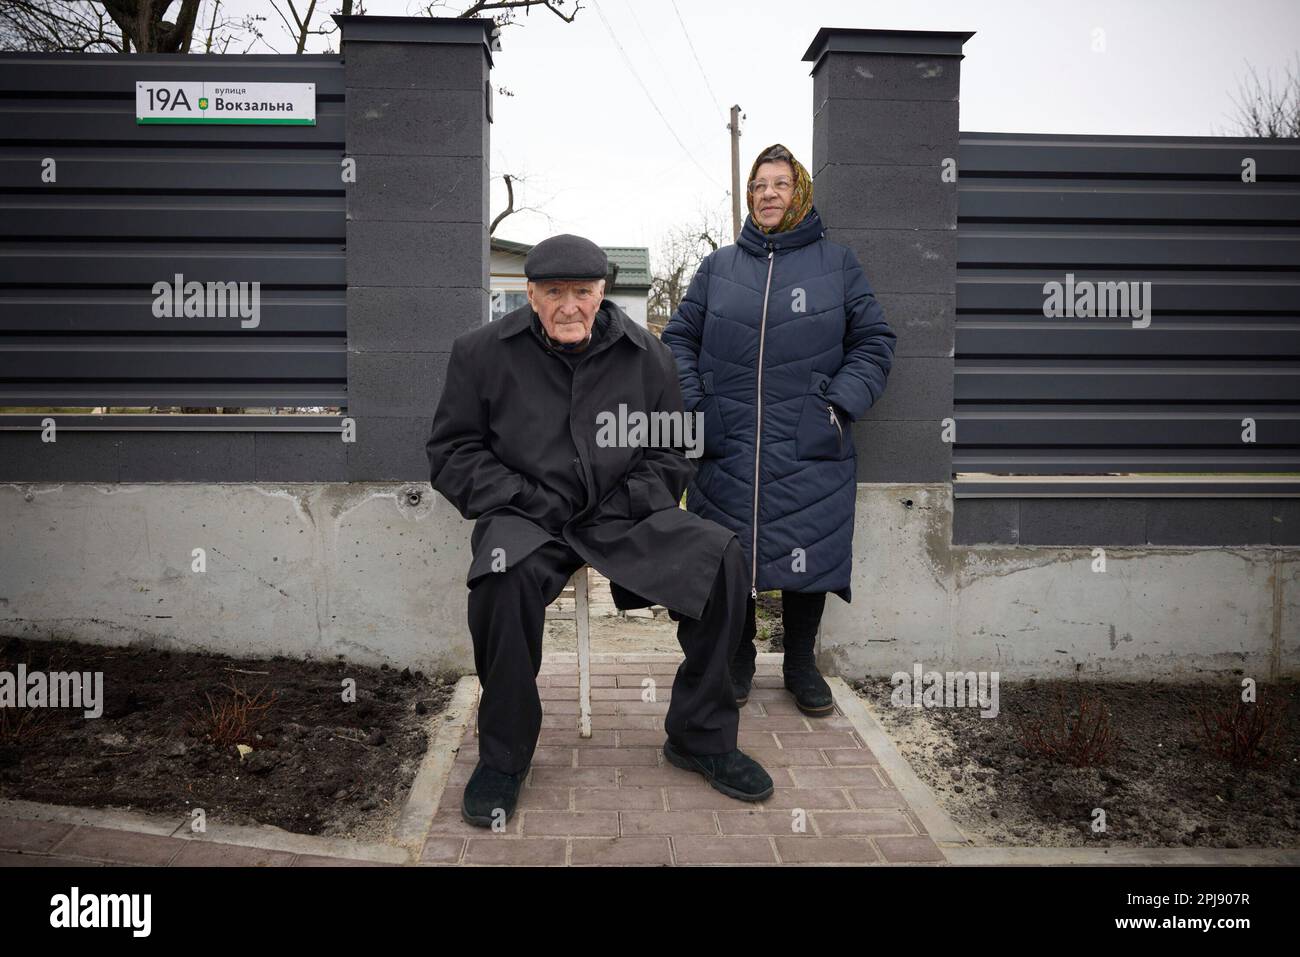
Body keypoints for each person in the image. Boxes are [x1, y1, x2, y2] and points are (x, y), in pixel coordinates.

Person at [426, 233, 774, 827]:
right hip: (528, 515)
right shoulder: (481, 352)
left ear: (602, 292)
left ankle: (700, 736)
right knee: (500, 579)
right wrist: (519, 495)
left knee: (721, 559)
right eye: (554, 292)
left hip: (621, 513)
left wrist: (636, 499)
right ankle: (505, 756)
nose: (569, 306)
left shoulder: (647, 354)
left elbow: (674, 451)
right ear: (530, 295)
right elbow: (453, 452)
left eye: (581, 292)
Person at [661, 144, 897, 717]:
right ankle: (736, 659)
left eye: (781, 185)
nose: (768, 194)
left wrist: (836, 406)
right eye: (760, 185)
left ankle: (799, 664)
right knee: (727, 552)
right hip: (728, 441)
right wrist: (698, 407)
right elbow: (678, 341)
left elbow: (874, 342)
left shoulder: (837, 264)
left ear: (801, 194)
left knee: (806, 551)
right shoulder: (719, 266)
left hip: (808, 439)